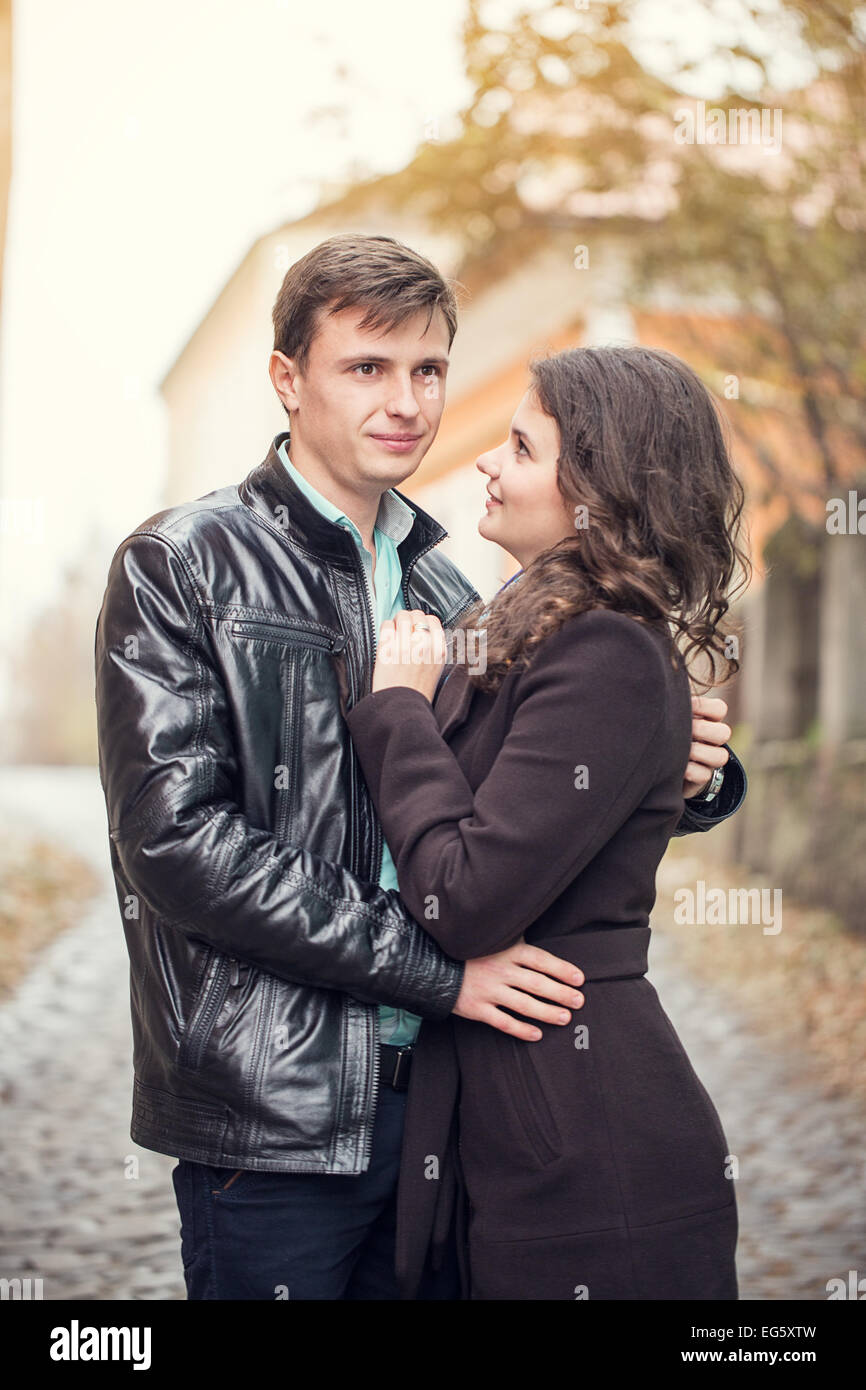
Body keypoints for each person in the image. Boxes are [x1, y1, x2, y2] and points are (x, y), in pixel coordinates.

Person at [94, 234, 746, 1301]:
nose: (404, 401)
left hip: (454, 1110)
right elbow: (179, 847)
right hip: (278, 1112)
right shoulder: (183, 564)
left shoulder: (460, 592)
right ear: (287, 380)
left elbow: (531, 801)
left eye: (427, 369)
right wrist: (437, 973)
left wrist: (699, 777)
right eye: (365, 368)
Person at [344, 343, 751, 1300]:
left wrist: (397, 708)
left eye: (520, 448)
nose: (487, 460)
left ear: (597, 494)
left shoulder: (604, 646)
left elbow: (468, 896)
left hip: (586, 1144)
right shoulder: (524, 622)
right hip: (507, 1122)